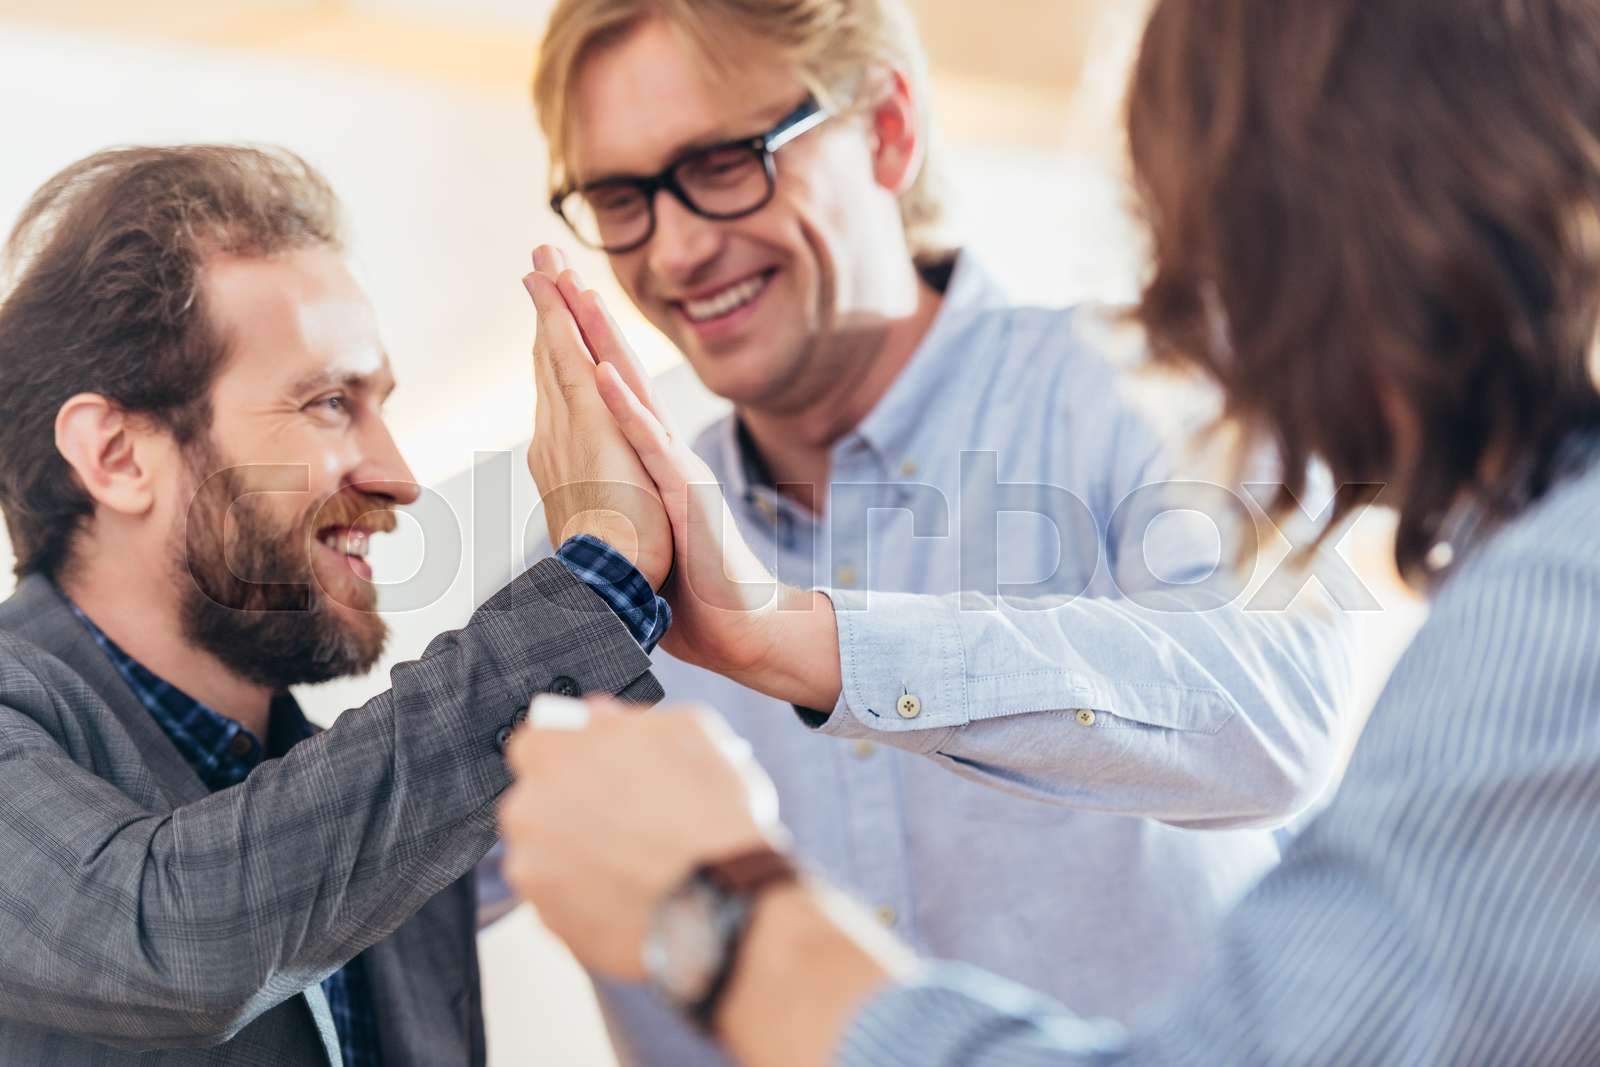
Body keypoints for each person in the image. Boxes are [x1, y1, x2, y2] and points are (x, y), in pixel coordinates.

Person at [498, 0, 1600, 1063]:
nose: (676, 249)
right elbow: (370, 903)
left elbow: (1273, 717)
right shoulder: (600, 547)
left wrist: (797, 646)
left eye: (724, 164)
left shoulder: (1169, 391)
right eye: (620, 197)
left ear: (888, 127)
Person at [0, 145, 673, 1065]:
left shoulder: (374, 803)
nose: (397, 476)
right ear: (117, 455)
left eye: (380, 403)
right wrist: (597, 583)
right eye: (327, 402)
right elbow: (168, 936)